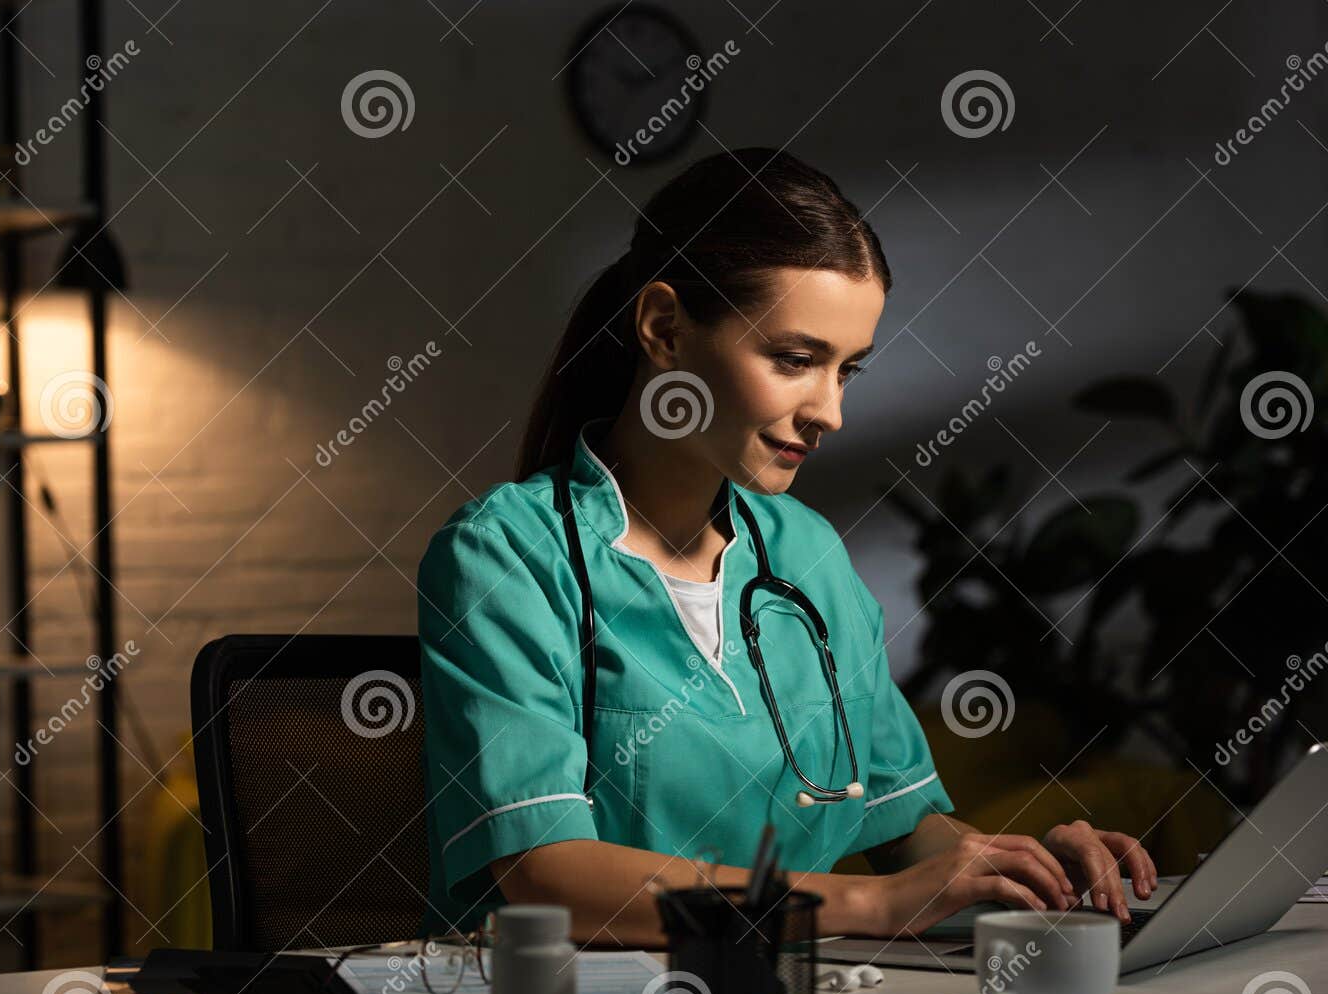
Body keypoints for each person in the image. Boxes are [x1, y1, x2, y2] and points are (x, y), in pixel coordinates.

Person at [416, 147, 1155, 945]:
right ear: (665, 329)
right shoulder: (505, 559)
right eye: (796, 360)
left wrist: (1017, 871)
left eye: (848, 372)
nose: (829, 412)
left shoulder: (808, 555)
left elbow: (902, 823)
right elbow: (544, 873)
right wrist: (872, 906)